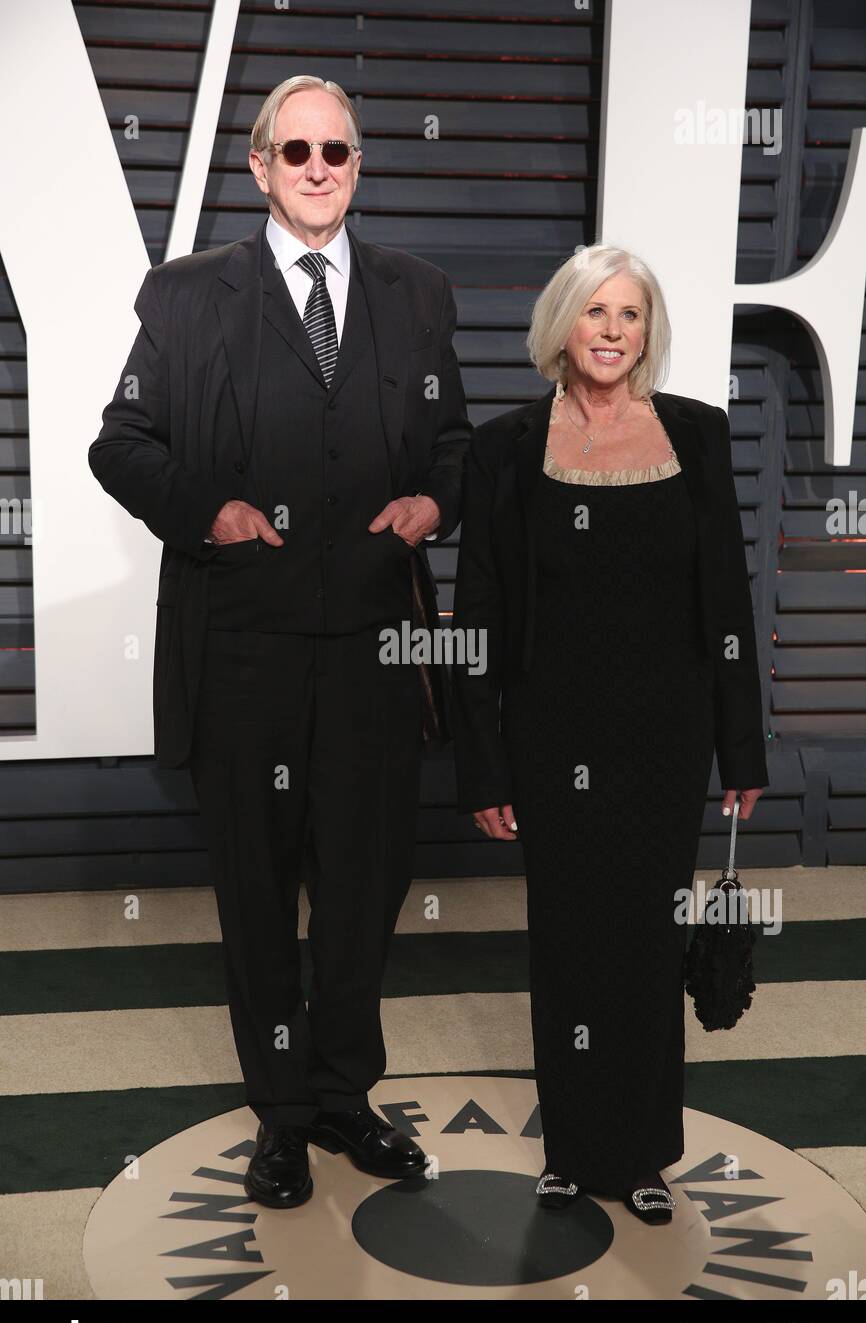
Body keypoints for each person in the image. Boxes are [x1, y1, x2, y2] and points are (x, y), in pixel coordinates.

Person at [89, 75, 470, 1208]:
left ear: (358, 167)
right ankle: (282, 1116)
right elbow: (122, 444)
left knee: (363, 888)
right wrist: (204, 507)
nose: (315, 167)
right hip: (243, 651)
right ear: (256, 167)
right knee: (258, 898)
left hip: (375, 656)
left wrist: (435, 506)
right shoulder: (187, 295)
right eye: (293, 150)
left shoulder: (419, 295)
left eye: (336, 152)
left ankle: (348, 1095)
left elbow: (453, 442)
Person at [451, 243, 768, 1225]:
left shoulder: (696, 436)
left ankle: (638, 1150)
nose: (610, 331)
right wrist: (483, 763)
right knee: (567, 940)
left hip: (662, 736)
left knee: (642, 940)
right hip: (549, 735)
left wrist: (738, 746)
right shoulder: (505, 448)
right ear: (562, 324)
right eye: (594, 312)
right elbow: (477, 615)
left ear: (646, 331)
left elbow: (723, 597)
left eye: (628, 315)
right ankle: (572, 1148)